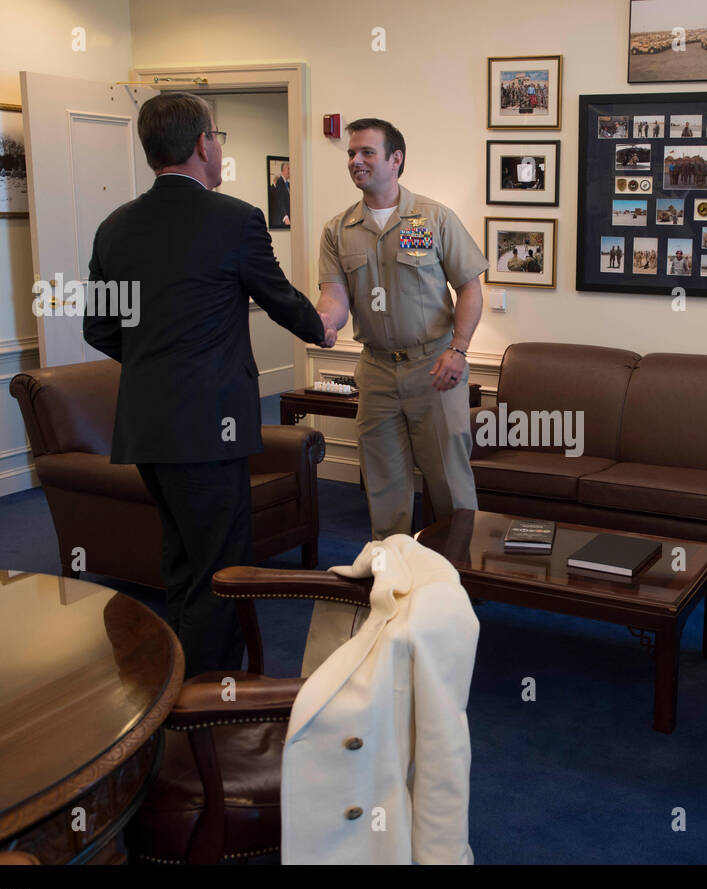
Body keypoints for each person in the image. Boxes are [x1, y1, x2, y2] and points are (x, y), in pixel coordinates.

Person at [84, 92, 326, 677]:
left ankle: (175, 686)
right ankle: (205, 702)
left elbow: (98, 328)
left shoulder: (114, 227)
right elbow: (280, 298)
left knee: (182, 559)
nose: (219, 149)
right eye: (217, 138)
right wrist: (322, 329)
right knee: (222, 569)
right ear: (202, 145)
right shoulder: (235, 219)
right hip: (208, 429)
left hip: (147, 427)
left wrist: (154, 363)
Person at [315, 118, 485, 540]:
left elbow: (470, 287)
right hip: (375, 372)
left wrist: (459, 350)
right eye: (351, 154)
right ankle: (394, 574)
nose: (355, 161)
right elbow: (334, 297)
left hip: (436, 367)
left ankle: (460, 575)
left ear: (396, 159)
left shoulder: (434, 218)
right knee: (384, 482)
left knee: (449, 481)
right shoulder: (337, 230)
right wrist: (324, 322)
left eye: (366, 152)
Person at [270, 160, 291, 227]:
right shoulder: (280, 181)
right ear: (284, 169)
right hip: (283, 220)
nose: (290, 171)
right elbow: (280, 201)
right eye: (289, 169)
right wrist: (285, 217)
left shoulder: (288, 184)